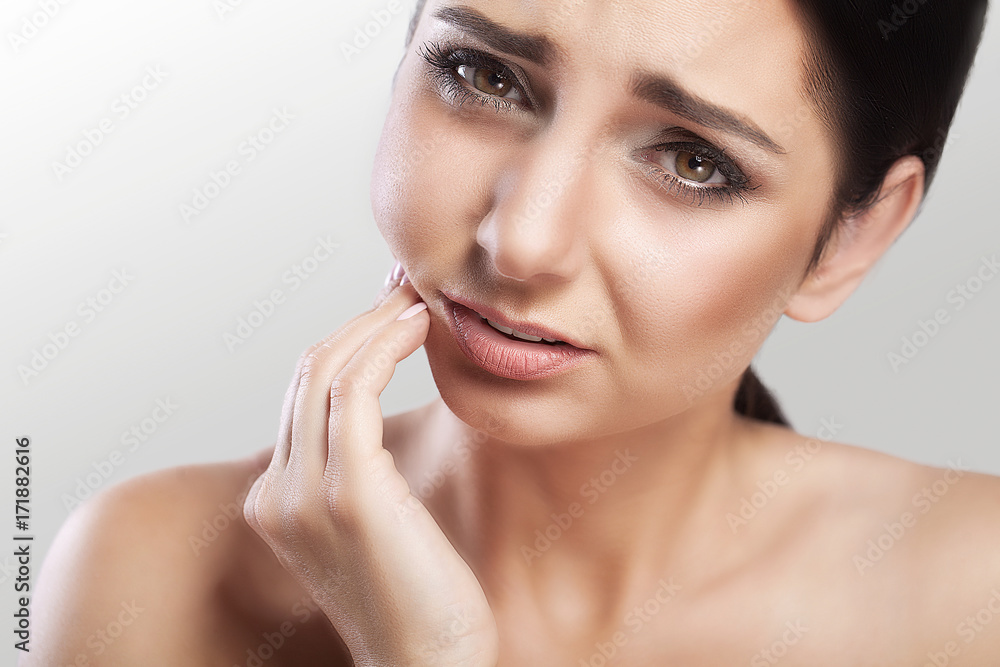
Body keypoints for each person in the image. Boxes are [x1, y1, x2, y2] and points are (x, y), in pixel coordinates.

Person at [26, 0, 999, 664]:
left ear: (851, 236)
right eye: (482, 75)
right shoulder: (151, 570)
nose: (520, 238)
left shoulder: (971, 597)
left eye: (692, 161)